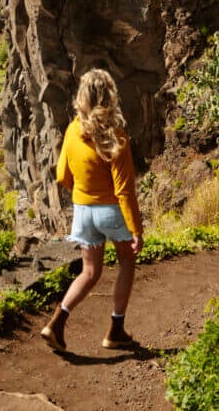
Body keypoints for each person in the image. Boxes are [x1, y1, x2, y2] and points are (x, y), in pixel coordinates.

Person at [40, 68, 144, 353]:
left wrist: (82, 194)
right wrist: (136, 229)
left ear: (82, 98)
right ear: (109, 96)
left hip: (83, 211)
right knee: (126, 262)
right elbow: (124, 191)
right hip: (110, 211)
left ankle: (56, 323)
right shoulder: (116, 138)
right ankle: (115, 330)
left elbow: (62, 175)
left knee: (89, 271)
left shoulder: (73, 130)